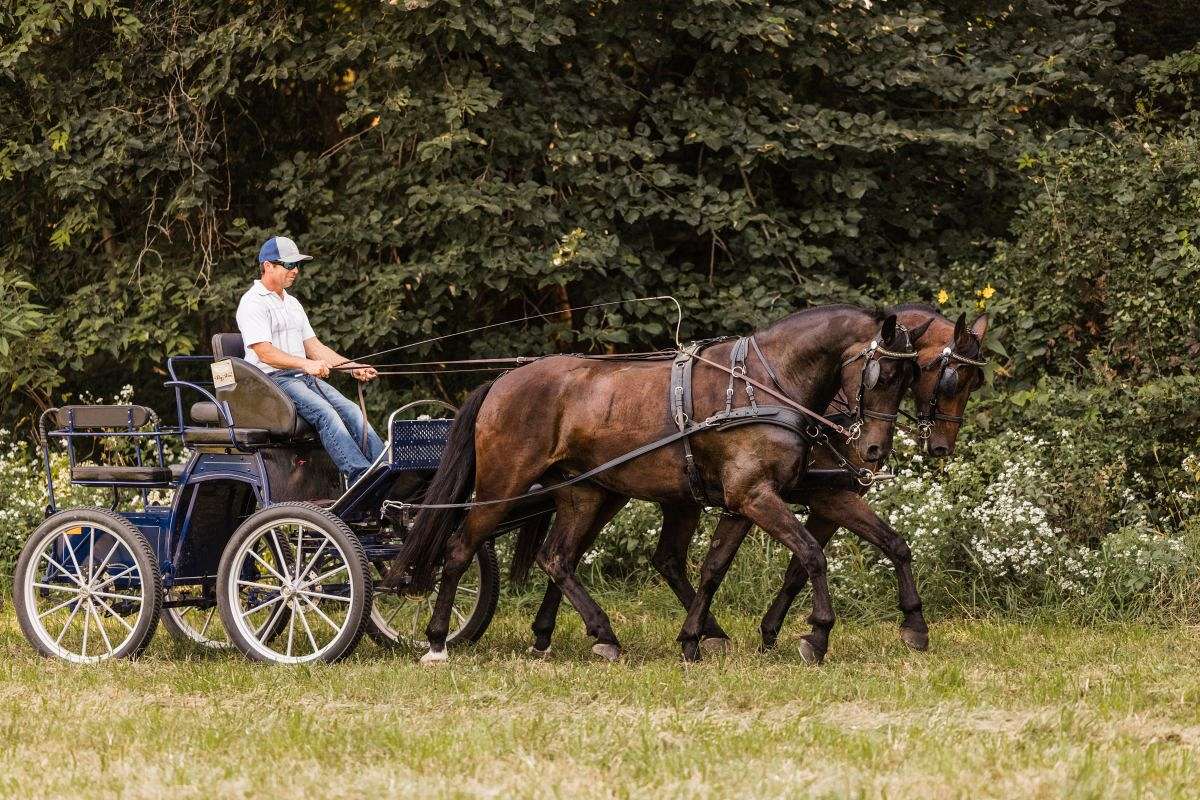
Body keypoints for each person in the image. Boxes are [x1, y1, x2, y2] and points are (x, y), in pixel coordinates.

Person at [235, 235, 385, 483]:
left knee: (352, 411)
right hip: (272, 382)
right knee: (326, 414)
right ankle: (360, 478)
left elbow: (314, 347)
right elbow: (265, 353)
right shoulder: (252, 302)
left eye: (297, 265)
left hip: (301, 378)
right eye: (289, 264)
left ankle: (385, 470)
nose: (296, 270)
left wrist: (352, 367)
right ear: (267, 266)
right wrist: (305, 364)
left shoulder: (292, 303)